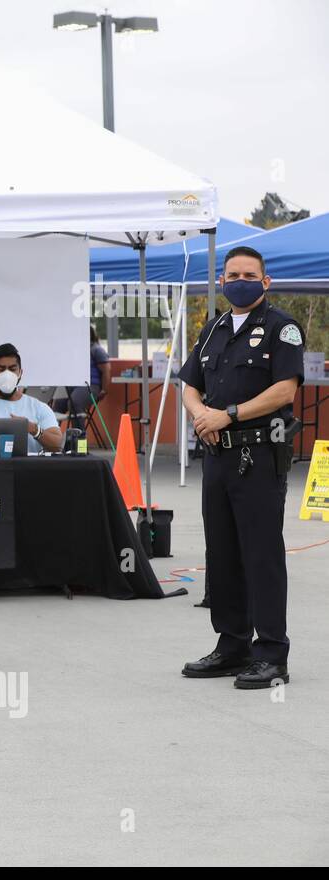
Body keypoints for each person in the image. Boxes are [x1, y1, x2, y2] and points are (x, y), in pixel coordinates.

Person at [179, 245, 303, 689]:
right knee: (223, 553)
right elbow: (189, 385)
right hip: (217, 455)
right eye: (232, 274)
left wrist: (227, 414)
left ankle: (271, 654)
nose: (239, 280)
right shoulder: (211, 329)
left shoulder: (280, 328)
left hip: (257, 456)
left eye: (249, 274)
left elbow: (284, 391)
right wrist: (201, 416)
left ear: (265, 282)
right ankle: (232, 646)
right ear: (221, 281)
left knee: (261, 554)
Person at [0, 343, 63, 454]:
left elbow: (57, 445)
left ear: (20, 373)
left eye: (12, 369)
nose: (7, 374)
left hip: (29, 470)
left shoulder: (38, 407)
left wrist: (33, 429)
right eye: (1, 369)